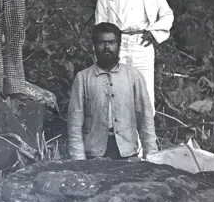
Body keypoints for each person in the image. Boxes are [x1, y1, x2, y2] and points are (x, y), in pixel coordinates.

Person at [94, 0, 173, 107]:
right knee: (116, 89)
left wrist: (153, 33)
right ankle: (120, 131)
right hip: (117, 45)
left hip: (141, 44)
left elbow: (167, 14)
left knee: (144, 92)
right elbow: (100, 24)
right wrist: (106, 47)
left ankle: (145, 132)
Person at [65, 23, 158, 161]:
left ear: (119, 46)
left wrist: (151, 157)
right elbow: (75, 123)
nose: (107, 47)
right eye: (102, 43)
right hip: (94, 154)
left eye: (112, 42)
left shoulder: (133, 76)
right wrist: (79, 160)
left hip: (127, 153)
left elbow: (145, 119)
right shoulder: (83, 78)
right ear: (94, 47)